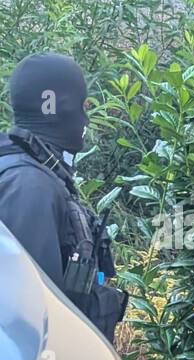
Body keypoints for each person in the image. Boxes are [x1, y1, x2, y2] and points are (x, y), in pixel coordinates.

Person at [0, 53, 127, 340]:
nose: (86, 118)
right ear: (56, 107)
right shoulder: (29, 184)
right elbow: (27, 317)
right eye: (83, 106)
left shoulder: (38, 173)